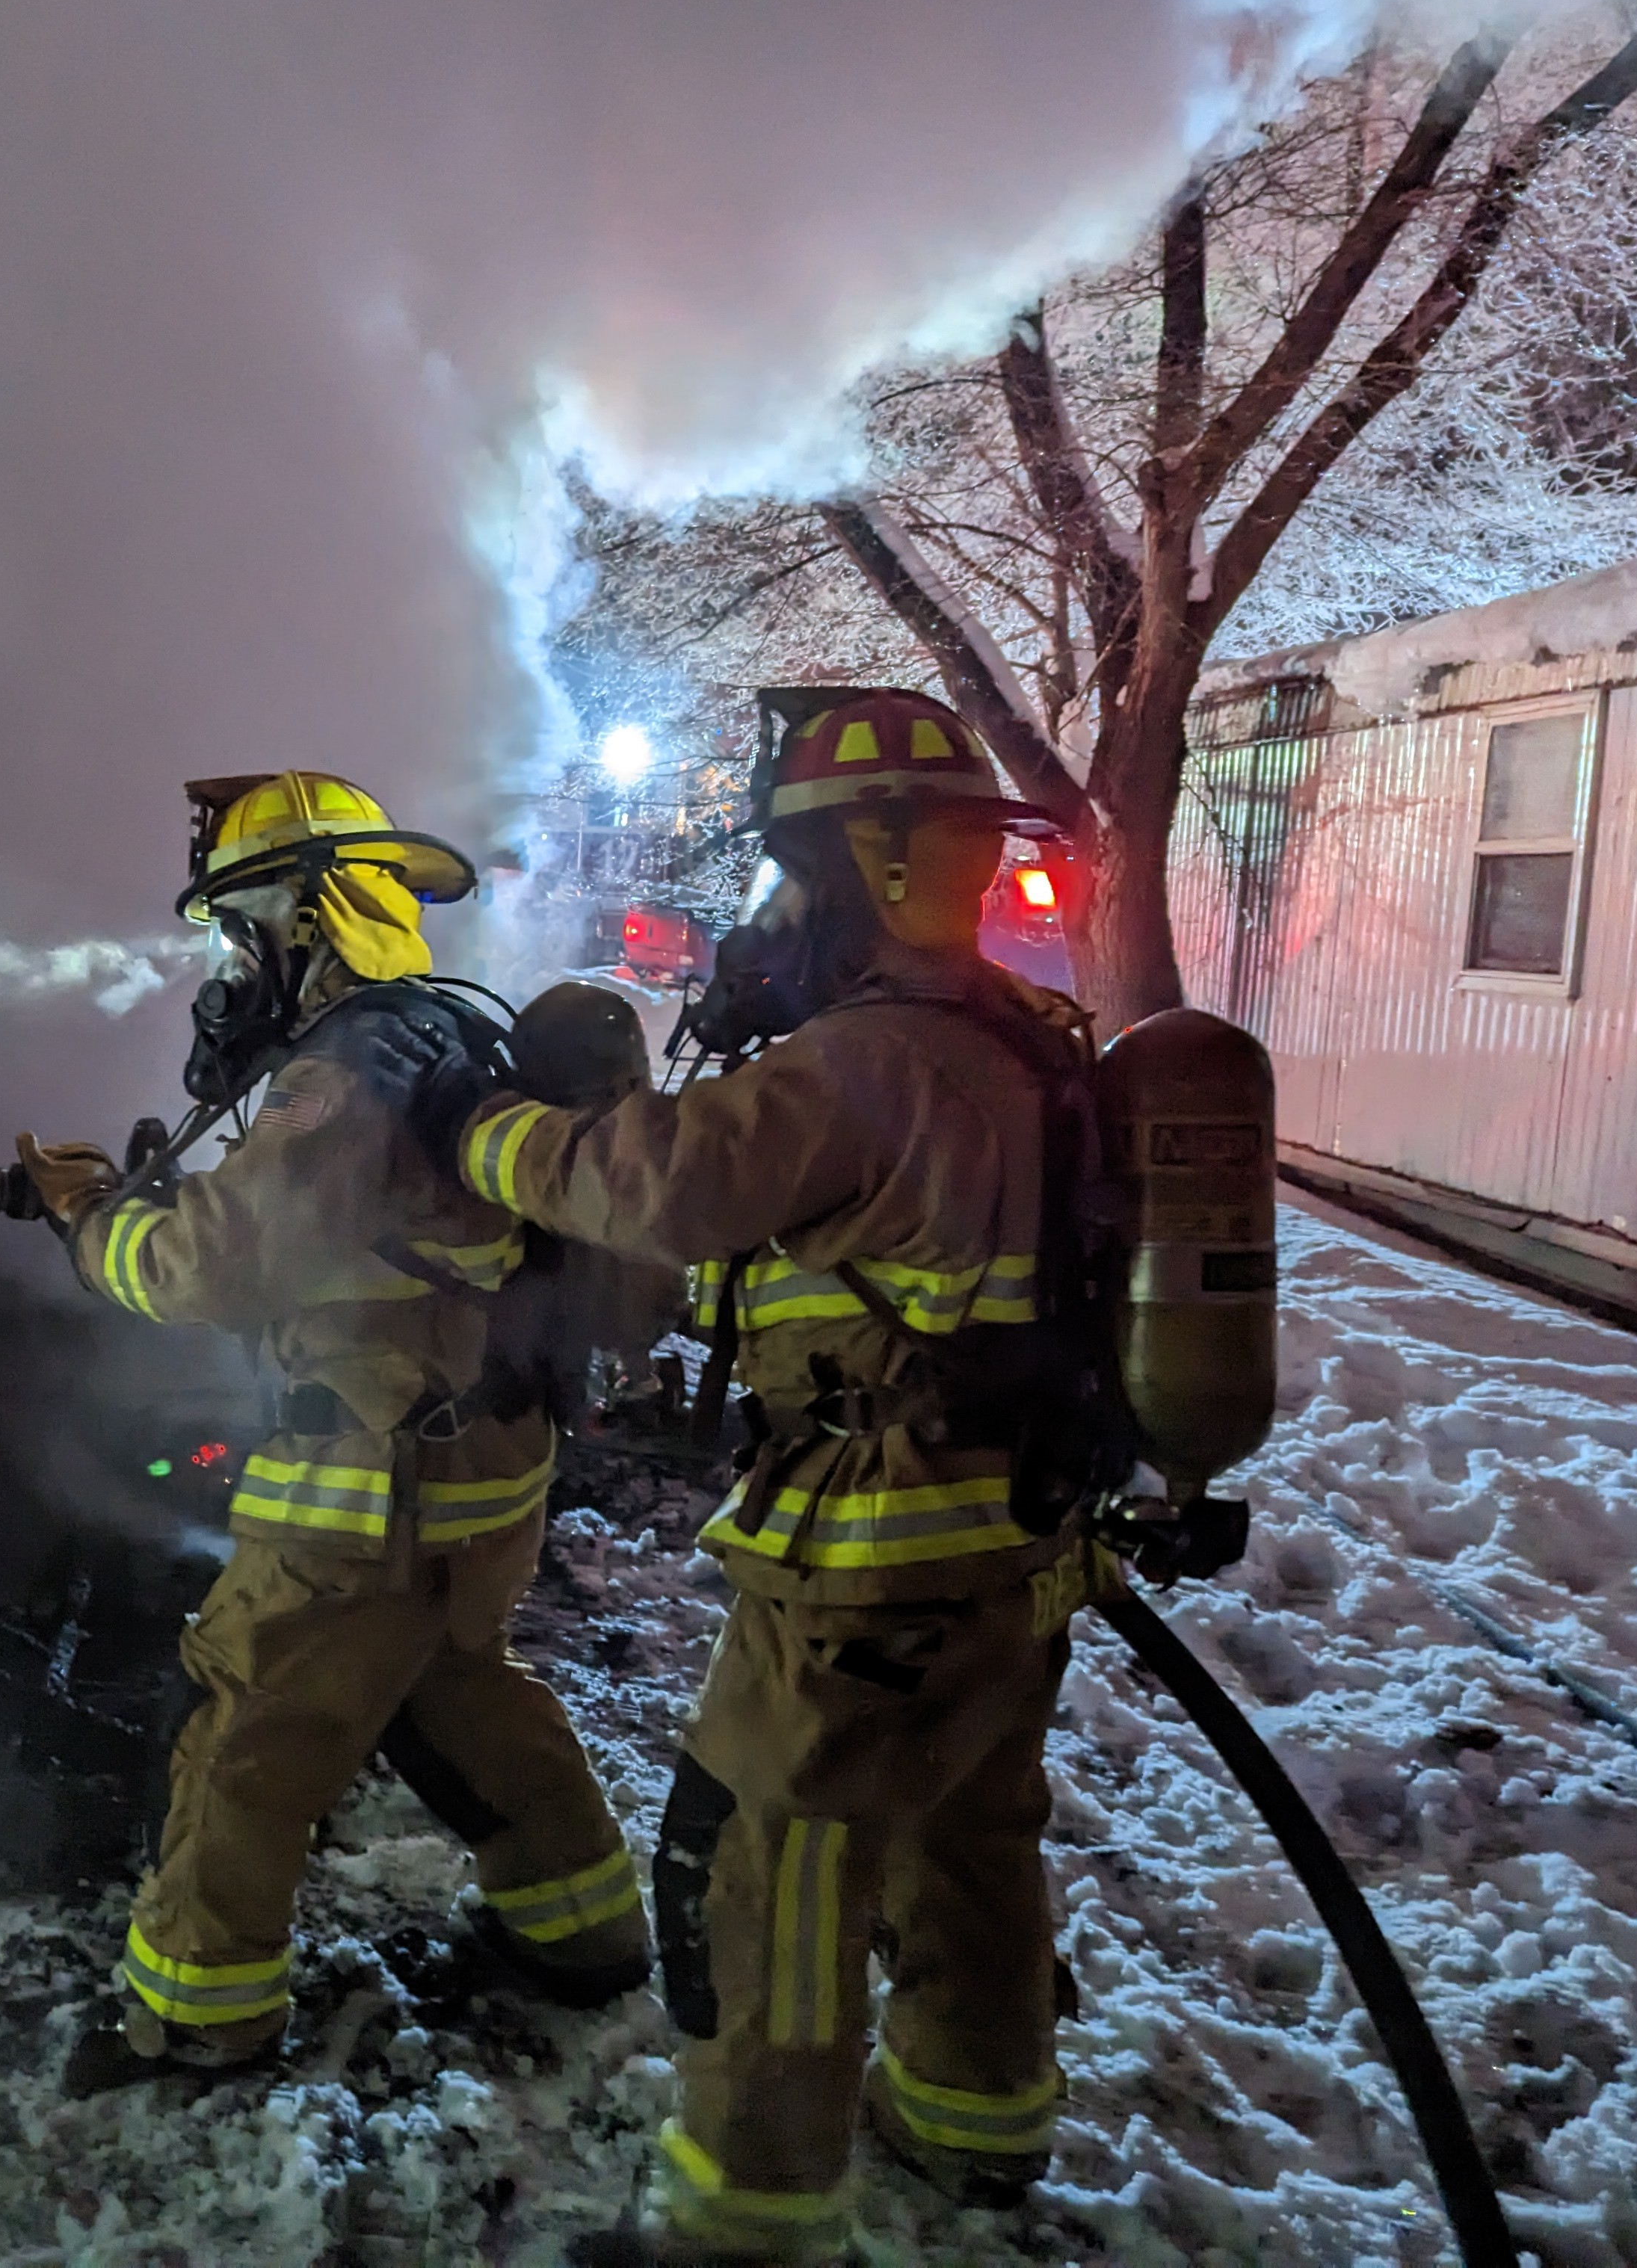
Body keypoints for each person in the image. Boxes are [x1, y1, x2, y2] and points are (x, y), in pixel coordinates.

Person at [387, 691, 1123, 2262]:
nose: (765, 919)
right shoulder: (1032, 1040)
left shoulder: (867, 1063)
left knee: (770, 1860)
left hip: (868, 1550)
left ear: (868, 864)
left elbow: (650, 1184)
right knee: (971, 1827)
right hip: (1021, 1541)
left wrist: (482, 1131)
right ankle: (976, 2120)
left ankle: (747, 2210)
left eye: (785, 879)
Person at [17, 770, 653, 2097]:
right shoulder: (440, 1041)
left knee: (247, 1725)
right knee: (459, 1687)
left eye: (239, 931)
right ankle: (582, 1928)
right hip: (481, 1474)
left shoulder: (345, 1071)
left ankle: (198, 2020)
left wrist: (92, 1220)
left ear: (306, 920)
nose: (227, 965)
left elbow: (203, 1270)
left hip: (369, 1482)